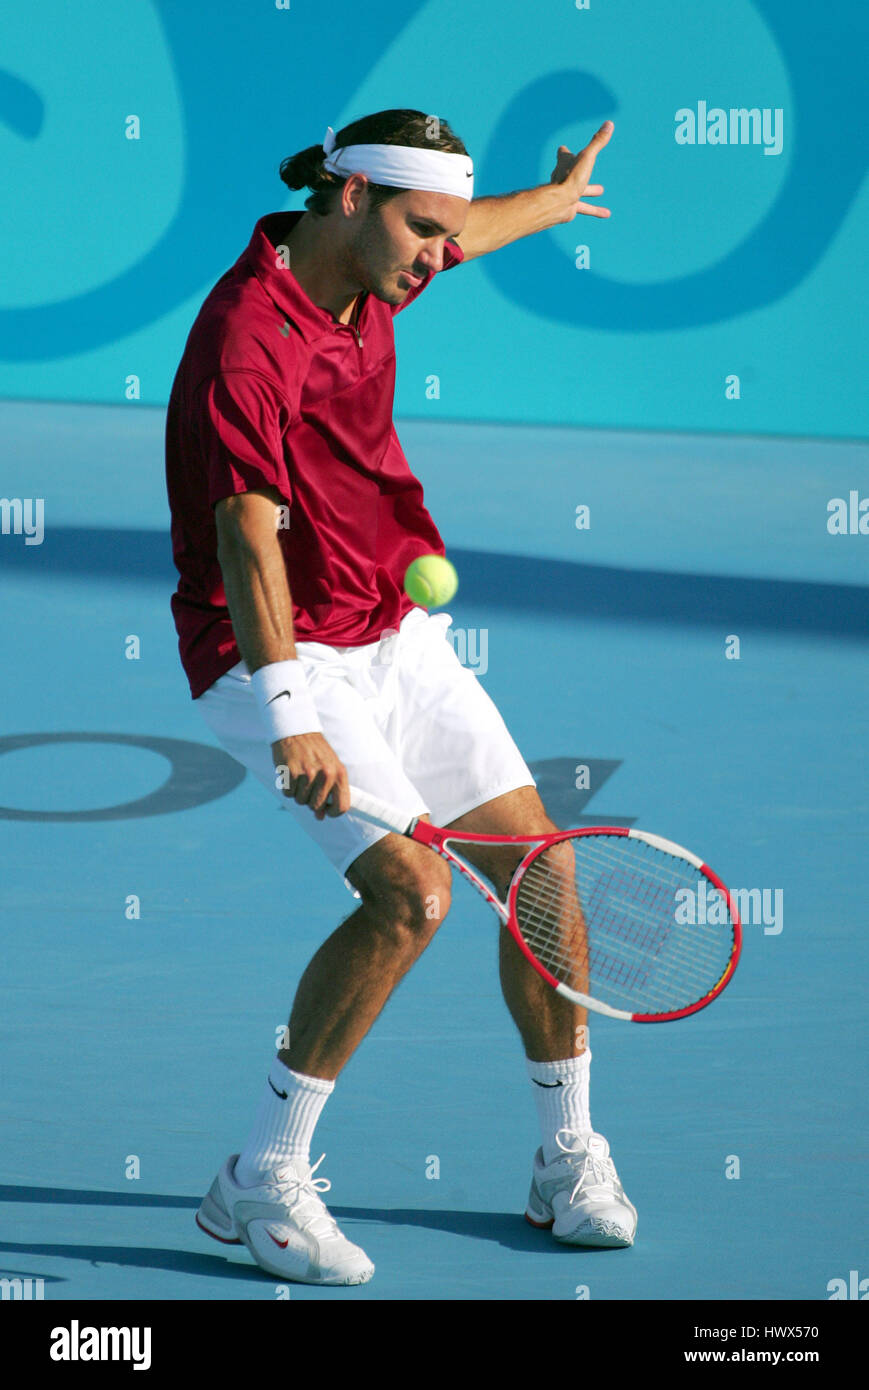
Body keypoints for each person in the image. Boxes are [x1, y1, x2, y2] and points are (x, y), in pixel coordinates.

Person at [164, 107, 634, 1286]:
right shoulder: (246, 339)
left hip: (391, 627)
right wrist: (290, 715)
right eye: (418, 227)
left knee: (542, 872)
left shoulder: (372, 265)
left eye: (440, 232)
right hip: (271, 648)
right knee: (408, 899)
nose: (437, 251)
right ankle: (258, 1181)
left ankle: (563, 1158)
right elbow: (244, 541)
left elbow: (468, 227)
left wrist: (557, 197)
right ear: (350, 197)